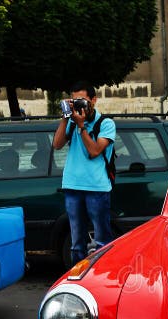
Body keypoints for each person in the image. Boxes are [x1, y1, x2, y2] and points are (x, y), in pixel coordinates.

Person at [53, 81, 116, 265]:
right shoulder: (71, 122)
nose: (78, 105)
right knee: (76, 243)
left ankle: (103, 274)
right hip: (72, 186)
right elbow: (57, 145)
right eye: (74, 101)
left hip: (97, 187)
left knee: (102, 241)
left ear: (93, 100)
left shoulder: (106, 123)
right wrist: (66, 118)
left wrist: (82, 127)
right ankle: (78, 277)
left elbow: (94, 151)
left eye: (82, 101)